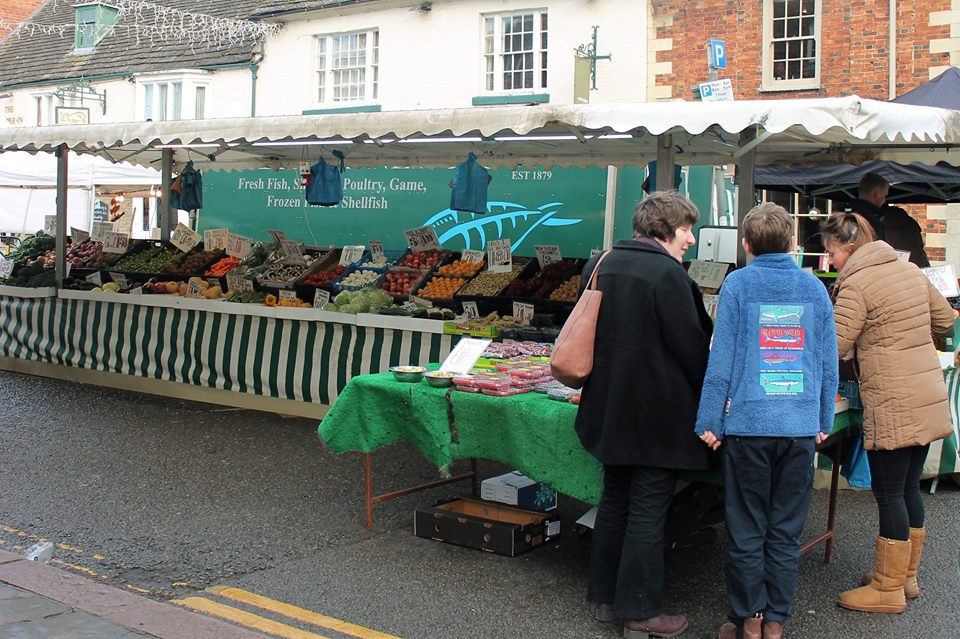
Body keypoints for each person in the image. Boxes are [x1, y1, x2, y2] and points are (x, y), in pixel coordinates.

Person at [695, 203, 839, 639]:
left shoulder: (737, 284)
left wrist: (709, 420)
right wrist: (823, 417)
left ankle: (749, 620)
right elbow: (827, 360)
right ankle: (776, 623)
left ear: (745, 245)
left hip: (748, 429)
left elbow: (720, 359)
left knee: (746, 528)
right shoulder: (814, 288)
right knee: (785, 531)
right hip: (797, 429)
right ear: (794, 244)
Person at [575, 190, 713, 639]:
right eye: (687, 229)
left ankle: (605, 597)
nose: (691, 239)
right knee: (647, 512)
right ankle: (640, 612)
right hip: (657, 416)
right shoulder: (668, 276)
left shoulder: (600, 264)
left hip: (608, 408)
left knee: (615, 501)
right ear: (665, 228)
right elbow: (693, 350)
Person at [820, 212, 955, 614]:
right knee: (908, 487)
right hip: (926, 393)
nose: (830, 261)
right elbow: (946, 320)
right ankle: (905, 577)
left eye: (831, 252)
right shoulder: (909, 269)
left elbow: (835, 347)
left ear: (848, 246)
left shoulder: (858, 284)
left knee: (889, 492)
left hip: (893, 400)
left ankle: (887, 589)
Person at [849, 172, 930, 267]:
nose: (884, 201)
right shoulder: (878, 222)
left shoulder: (846, 218)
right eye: (884, 196)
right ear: (876, 194)